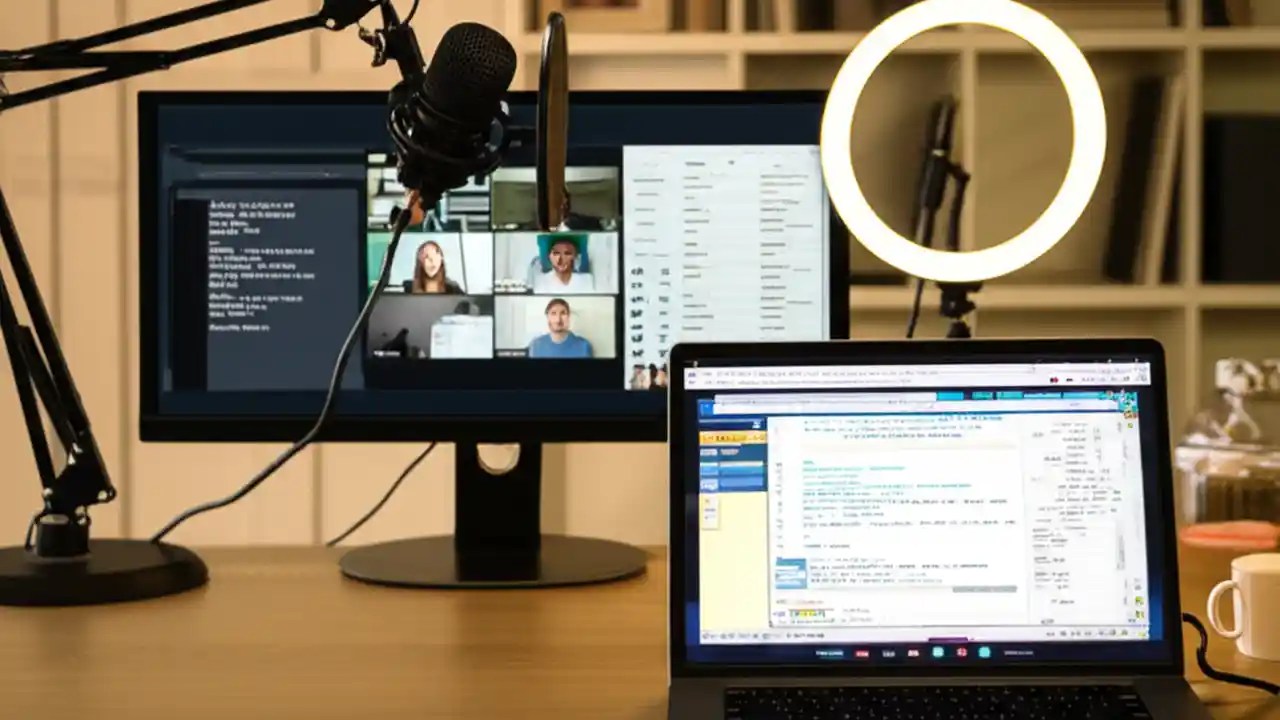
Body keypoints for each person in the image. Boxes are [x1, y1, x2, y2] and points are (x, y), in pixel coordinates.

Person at [527, 298, 593, 359]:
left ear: (569, 316)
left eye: (563, 313)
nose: (558, 320)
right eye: (553, 313)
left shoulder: (583, 346)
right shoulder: (535, 345)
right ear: (548, 317)